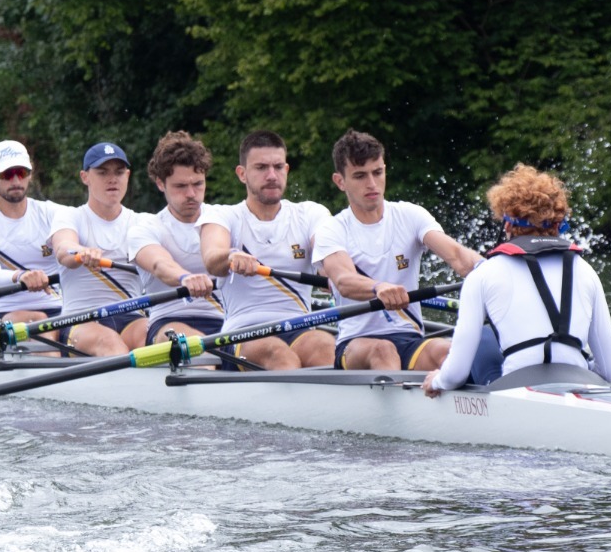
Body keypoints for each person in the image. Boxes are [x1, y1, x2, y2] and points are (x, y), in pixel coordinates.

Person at [424, 165, 611, 396]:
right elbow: (609, 372)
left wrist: (437, 381)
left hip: (513, 390)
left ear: (507, 224)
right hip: (577, 384)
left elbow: (455, 375)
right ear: (558, 224)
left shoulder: (483, 274)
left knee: (485, 335)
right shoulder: (586, 270)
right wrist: (578, 372)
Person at [313, 129, 479, 371]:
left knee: (449, 352)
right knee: (383, 350)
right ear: (340, 181)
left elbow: (458, 257)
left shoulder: (411, 215)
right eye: (360, 176)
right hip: (355, 344)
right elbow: (344, 281)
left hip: (409, 338)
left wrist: (493, 270)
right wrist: (378, 287)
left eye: (377, 172)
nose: (372, 184)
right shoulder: (332, 229)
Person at [198, 131, 334, 370]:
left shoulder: (311, 214)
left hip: (299, 328)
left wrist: (334, 273)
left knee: (327, 347)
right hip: (242, 334)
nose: (272, 175)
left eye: (278, 167)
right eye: (261, 168)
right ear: (242, 174)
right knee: (280, 356)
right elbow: (212, 258)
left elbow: (330, 255)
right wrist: (230, 256)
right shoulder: (222, 215)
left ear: (287, 170)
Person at [46, 142, 164, 356]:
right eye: (102, 172)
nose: (112, 179)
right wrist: (80, 252)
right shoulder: (70, 216)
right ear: (85, 177)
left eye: (119, 172)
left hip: (131, 318)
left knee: (163, 341)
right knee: (111, 343)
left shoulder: (143, 222)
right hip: (80, 319)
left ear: (127, 175)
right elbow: (63, 249)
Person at [0, 140, 66, 329]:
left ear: (30, 175)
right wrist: (20, 276)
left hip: (60, 310)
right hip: (9, 312)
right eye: (7, 174)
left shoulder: (53, 213)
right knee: (38, 320)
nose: (16, 181)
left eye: (22, 173)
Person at [135, 132, 225, 349]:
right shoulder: (146, 228)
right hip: (169, 323)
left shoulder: (225, 219)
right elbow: (159, 265)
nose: (191, 193)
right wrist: (185, 277)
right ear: (160, 183)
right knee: (198, 349)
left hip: (227, 323)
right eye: (181, 186)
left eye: (198, 184)